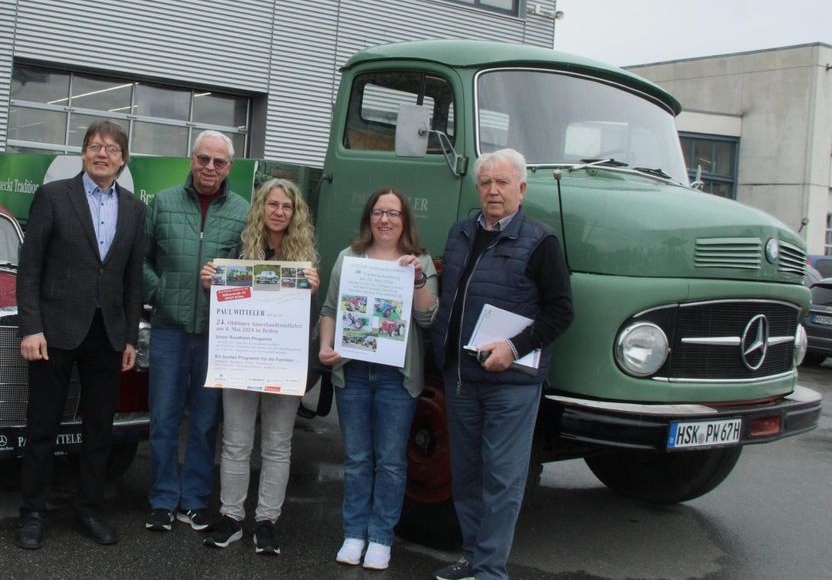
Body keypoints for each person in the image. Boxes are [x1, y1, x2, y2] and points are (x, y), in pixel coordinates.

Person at [429, 148, 573, 580]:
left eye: (503, 182)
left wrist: (513, 347)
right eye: (486, 183)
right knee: (467, 475)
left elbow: (561, 311)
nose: (493, 190)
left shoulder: (541, 241)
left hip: (509, 383)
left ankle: (491, 571)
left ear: (521, 189)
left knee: (502, 480)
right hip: (460, 379)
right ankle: (473, 557)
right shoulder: (459, 234)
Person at [13, 120, 145, 550]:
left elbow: (130, 279)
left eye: (110, 148)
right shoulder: (54, 197)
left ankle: (90, 509)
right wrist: (30, 326)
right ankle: (32, 513)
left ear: (123, 159)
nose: (102, 153)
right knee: (42, 428)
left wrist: (129, 337)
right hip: (54, 332)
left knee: (99, 431)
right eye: (94, 146)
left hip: (106, 335)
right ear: (83, 154)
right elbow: (29, 268)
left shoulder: (133, 208)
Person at [317, 187, 438, 571]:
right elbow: (331, 308)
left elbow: (428, 318)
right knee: (356, 458)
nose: (385, 219)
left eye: (393, 213)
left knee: (390, 461)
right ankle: (354, 533)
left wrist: (417, 280)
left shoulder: (418, 261)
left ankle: (381, 537)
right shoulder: (348, 258)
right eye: (378, 212)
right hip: (352, 371)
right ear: (369, 218)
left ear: (405, 220)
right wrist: (325, 347)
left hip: (396, 377)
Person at [198, 178, 320, 555]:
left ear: (295, 212)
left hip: (282, 363)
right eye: (273, 204)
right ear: (261, 209)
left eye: (287, 206)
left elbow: (310, 319)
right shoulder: (242, 247)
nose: (279, 212)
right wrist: (210, 283)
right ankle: (231, 517)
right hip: (241, 361)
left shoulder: (307, 259)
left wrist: (312, 290)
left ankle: (266, 521)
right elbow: (224, 299)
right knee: (235, 443)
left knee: (277, 445)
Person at [143, 130, 250, 532]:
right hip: (169, 329)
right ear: (192, 159)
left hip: (216, 334)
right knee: (164, 419)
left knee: (206, 421)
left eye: (218, 162)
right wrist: (162, 293)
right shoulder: (164, 202)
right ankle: (162, 498)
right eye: (203, 159)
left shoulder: (243, 212)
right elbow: (142, 260)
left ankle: (194, 500)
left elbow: (250, 272)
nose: (210, 167)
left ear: (229, 167)